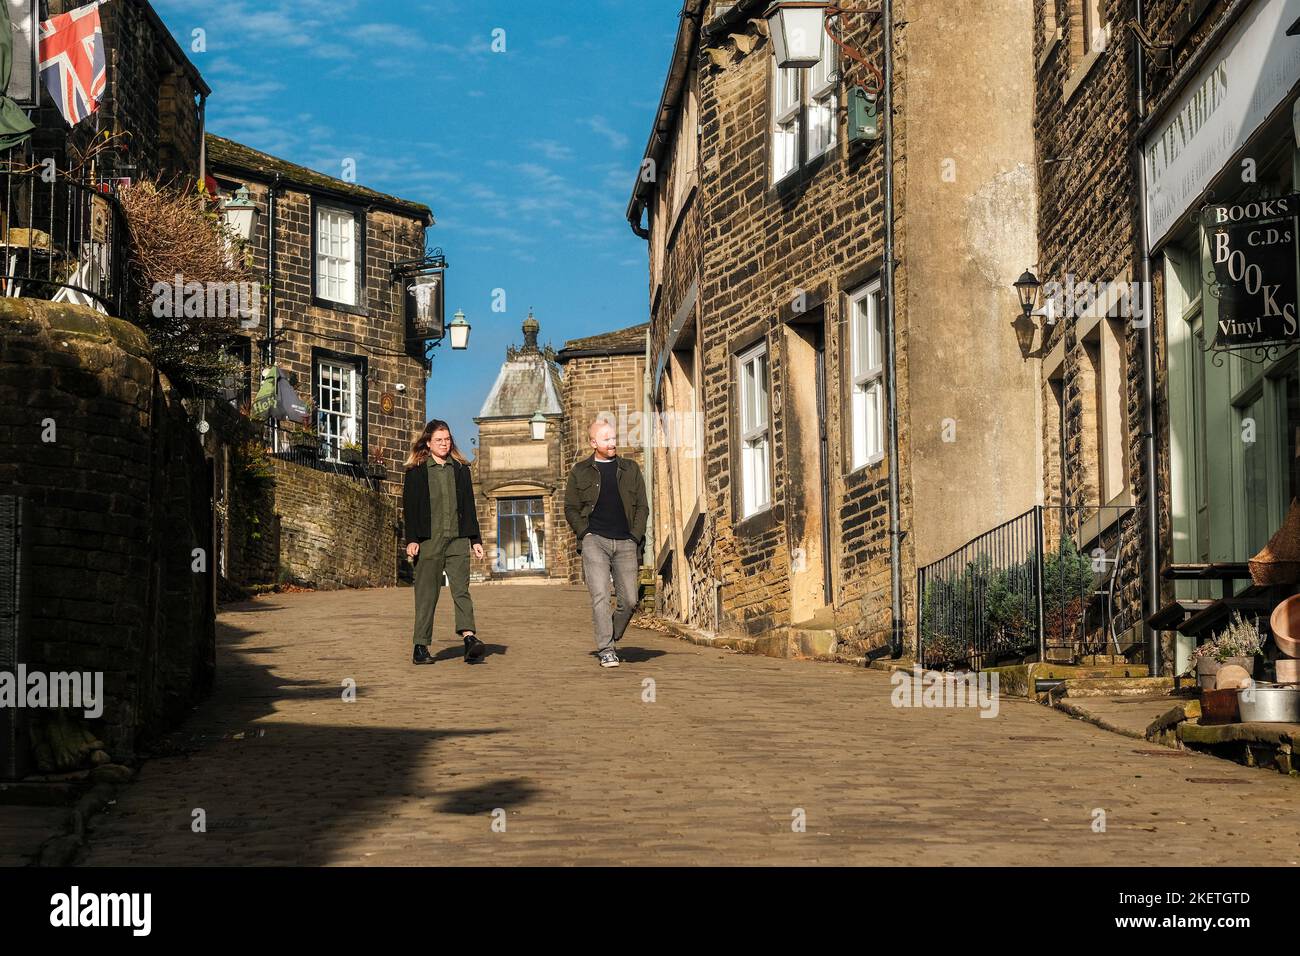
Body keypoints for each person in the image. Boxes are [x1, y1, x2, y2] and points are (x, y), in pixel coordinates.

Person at [563, 418, 649, 668]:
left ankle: (611, 634)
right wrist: (585, 532)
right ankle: (606, 649)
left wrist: (634, 536)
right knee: (600, 595)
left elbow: (643, 506)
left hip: (626, 542)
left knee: (630, 600)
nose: (612, 443)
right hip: (595, 541)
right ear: (593, 443)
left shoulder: (630, 468)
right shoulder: (580, 471)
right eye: (606, 439)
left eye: (613, 438)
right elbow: (570, 507)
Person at [402, 420, 486, 664]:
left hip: (458, 540)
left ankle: (469, 638)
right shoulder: (416, 472)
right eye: (439, 440)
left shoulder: (461, 469)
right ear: (428, 443)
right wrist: (412, 540)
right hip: (429, 541)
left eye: (447, 439)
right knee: (427, 595)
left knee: (461, 590)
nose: (444, 443)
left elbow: (469, 507)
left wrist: (475, 539)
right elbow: (410, 508)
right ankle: (420, 647)